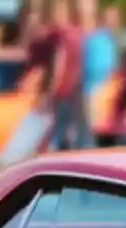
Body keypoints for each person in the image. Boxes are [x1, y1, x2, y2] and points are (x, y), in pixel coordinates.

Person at [44, 0, 88, 150]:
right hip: (77, 89)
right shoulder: (80, 34)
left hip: (63, 90)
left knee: (58, 131)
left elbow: (59, 63)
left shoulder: (62, 36)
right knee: (72, 130)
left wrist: (52, 90)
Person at [83, 2, 119, 146]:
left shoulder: (112, 40)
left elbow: (113, 67)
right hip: (92, 90)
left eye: (114, 18)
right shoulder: (94, 38)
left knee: (105, 130)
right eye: (109, 17)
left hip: (107, 92)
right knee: (92, 131)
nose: (111, 21)